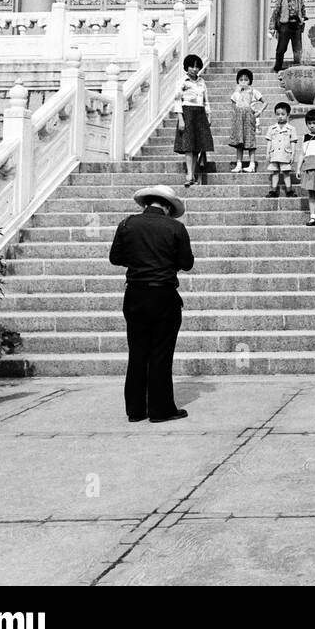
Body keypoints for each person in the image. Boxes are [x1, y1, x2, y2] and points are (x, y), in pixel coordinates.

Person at [109, 184, 193, 423]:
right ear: (167, 206)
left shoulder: (127, 224)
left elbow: (116, 258)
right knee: (161, 353)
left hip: (135, 294)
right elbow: (186, 263)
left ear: (147, 204)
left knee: (137, 352)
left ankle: (135, 410)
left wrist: (139, 261)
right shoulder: (176, 228)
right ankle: (160, 409)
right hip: (164, 295)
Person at [173, 54, 213, 188]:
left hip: (200, 113)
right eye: (192, 66)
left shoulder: (202, 82)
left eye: (197, 67)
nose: (194, 69)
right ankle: (189, 174)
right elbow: (178, 100)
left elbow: (206, 99)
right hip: (187, 113)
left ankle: (193, 173)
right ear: (186, 67)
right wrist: (181, 119)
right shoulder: (182, 81)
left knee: (197, 146)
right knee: (189, 145)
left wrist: (209, 115)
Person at [228, 68, 265, 172]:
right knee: (239, 141)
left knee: (250, 141)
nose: (243, 82)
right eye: (241, 80)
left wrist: (259, 112)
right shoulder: (236, 93)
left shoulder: (254, 92)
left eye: (246, 79)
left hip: (249, 118)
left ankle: (252, 164)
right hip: (239, 118)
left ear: (250, 81)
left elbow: (265, 102)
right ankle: (239, 164)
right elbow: (233, 107)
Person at [269, 0, 308, 72]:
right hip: (285, 25)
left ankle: (297, 66)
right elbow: (275, 13)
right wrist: (272, 27)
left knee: (297, 48)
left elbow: (303, 12)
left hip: (296, 26)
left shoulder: (300, 0)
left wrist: (303, 18)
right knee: (281, 48)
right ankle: (278, 67)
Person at [266, 101, 298, 198]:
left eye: (283, 114)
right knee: (275, 172)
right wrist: (267, 153)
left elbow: (293, 142)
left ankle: (289, 190)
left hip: (285, 154)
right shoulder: (272, 128)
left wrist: (293, 155)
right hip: (274, 154)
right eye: (278, 114)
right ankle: (274, 190)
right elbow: (269, 141)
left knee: (286, 172)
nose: (280, 116)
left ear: (288, 115)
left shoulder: (291, 128)